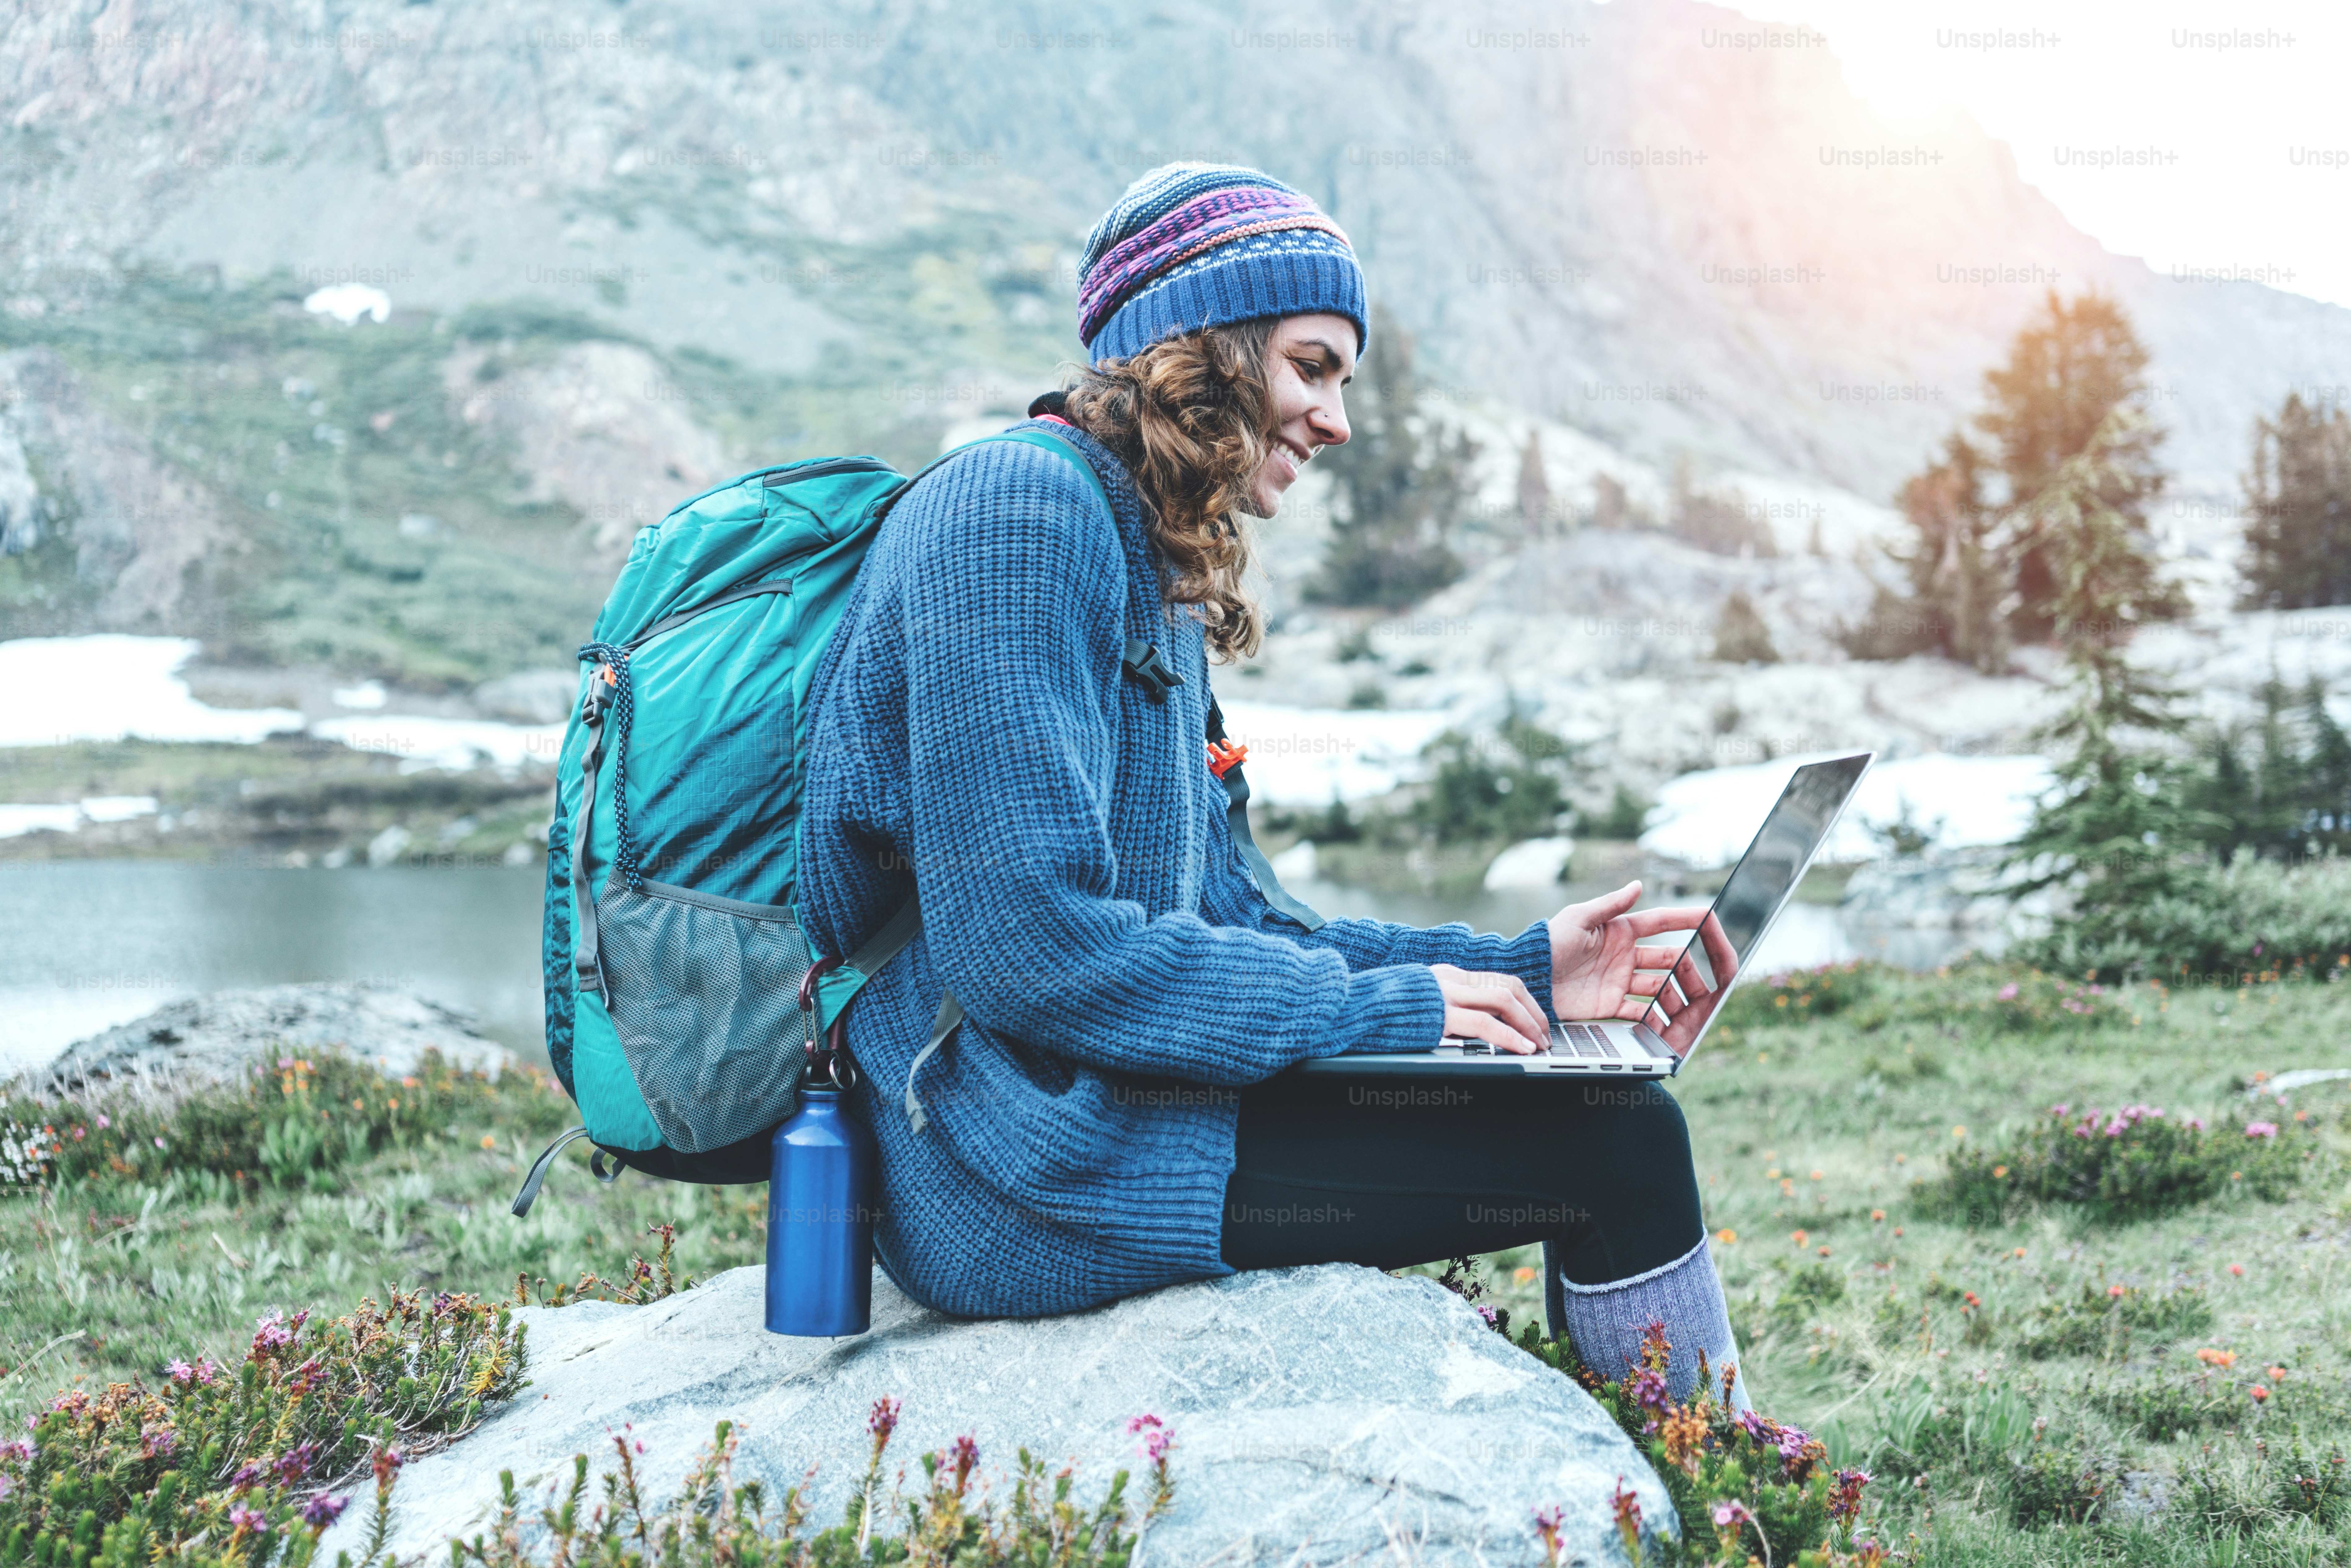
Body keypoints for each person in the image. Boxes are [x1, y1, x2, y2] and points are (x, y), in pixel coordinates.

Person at [800, 162, 1747, 1406]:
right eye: (1312, 366)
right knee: (1610, 1143)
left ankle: (1684, 1487)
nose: (1337, 420)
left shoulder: (1145, 559)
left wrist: (1521, 974)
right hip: (1014, 1162)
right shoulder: (1011, 515)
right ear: (1198, 351)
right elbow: (1025, 947)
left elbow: (1240, 921)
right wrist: (1404, 1014)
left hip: (1106, 1106)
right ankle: (1724, 1499)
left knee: (1606, 1112)